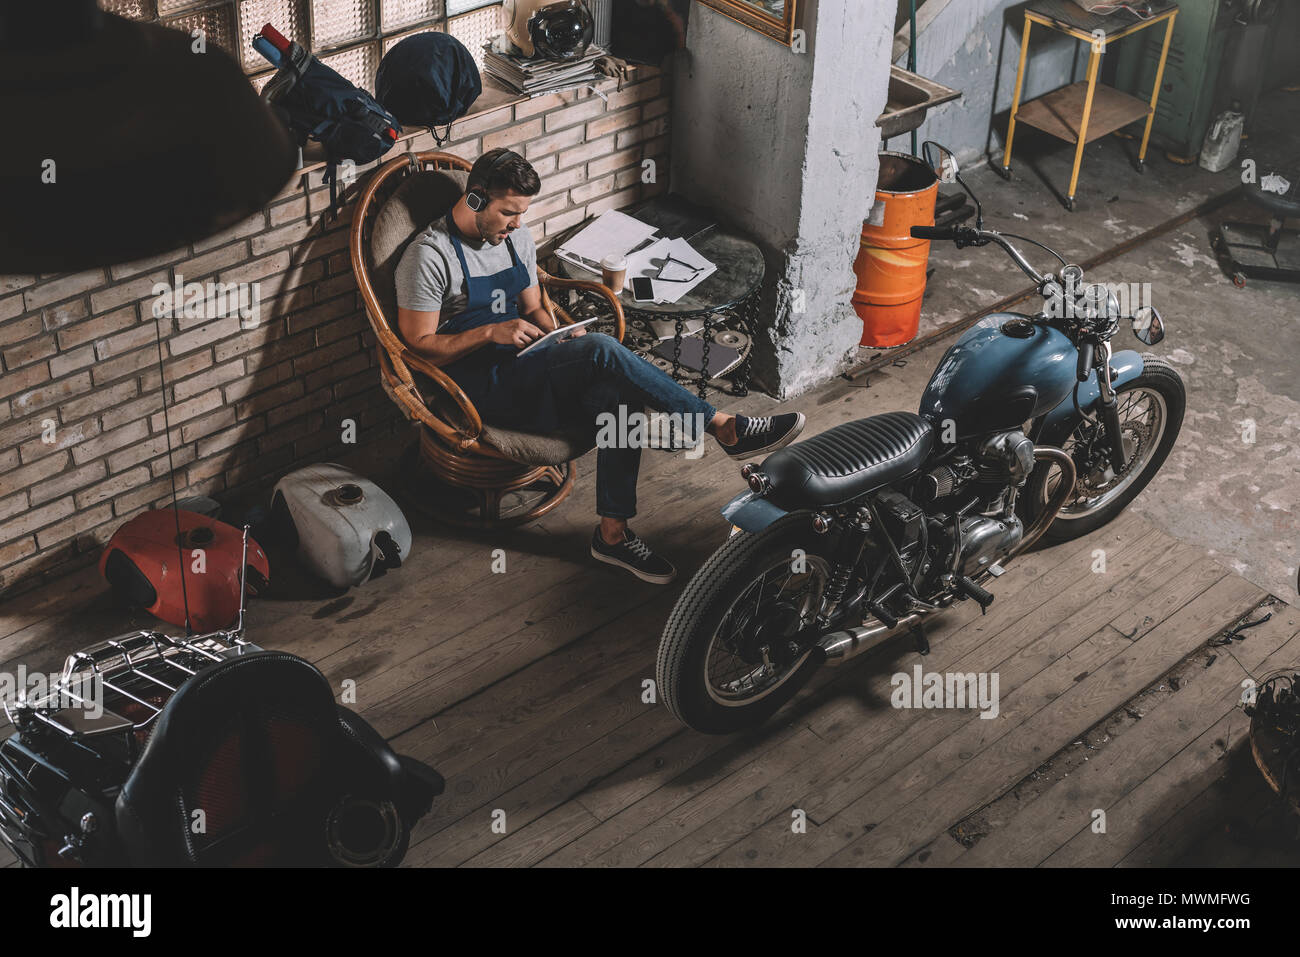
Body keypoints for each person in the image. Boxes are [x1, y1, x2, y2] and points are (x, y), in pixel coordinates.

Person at [395, 148, 804, 584]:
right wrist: (487, 333)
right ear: (475, 199)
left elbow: (535, 307)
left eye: (521, 214)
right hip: (483, 387)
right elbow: (418, 348)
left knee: (620, 397)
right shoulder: (430, 256)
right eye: (508, 214)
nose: (516, 224)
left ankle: (612, 535)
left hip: (534, 366)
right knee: (602, 349)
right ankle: (723, 426)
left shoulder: (516, 237)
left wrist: (559, 334)